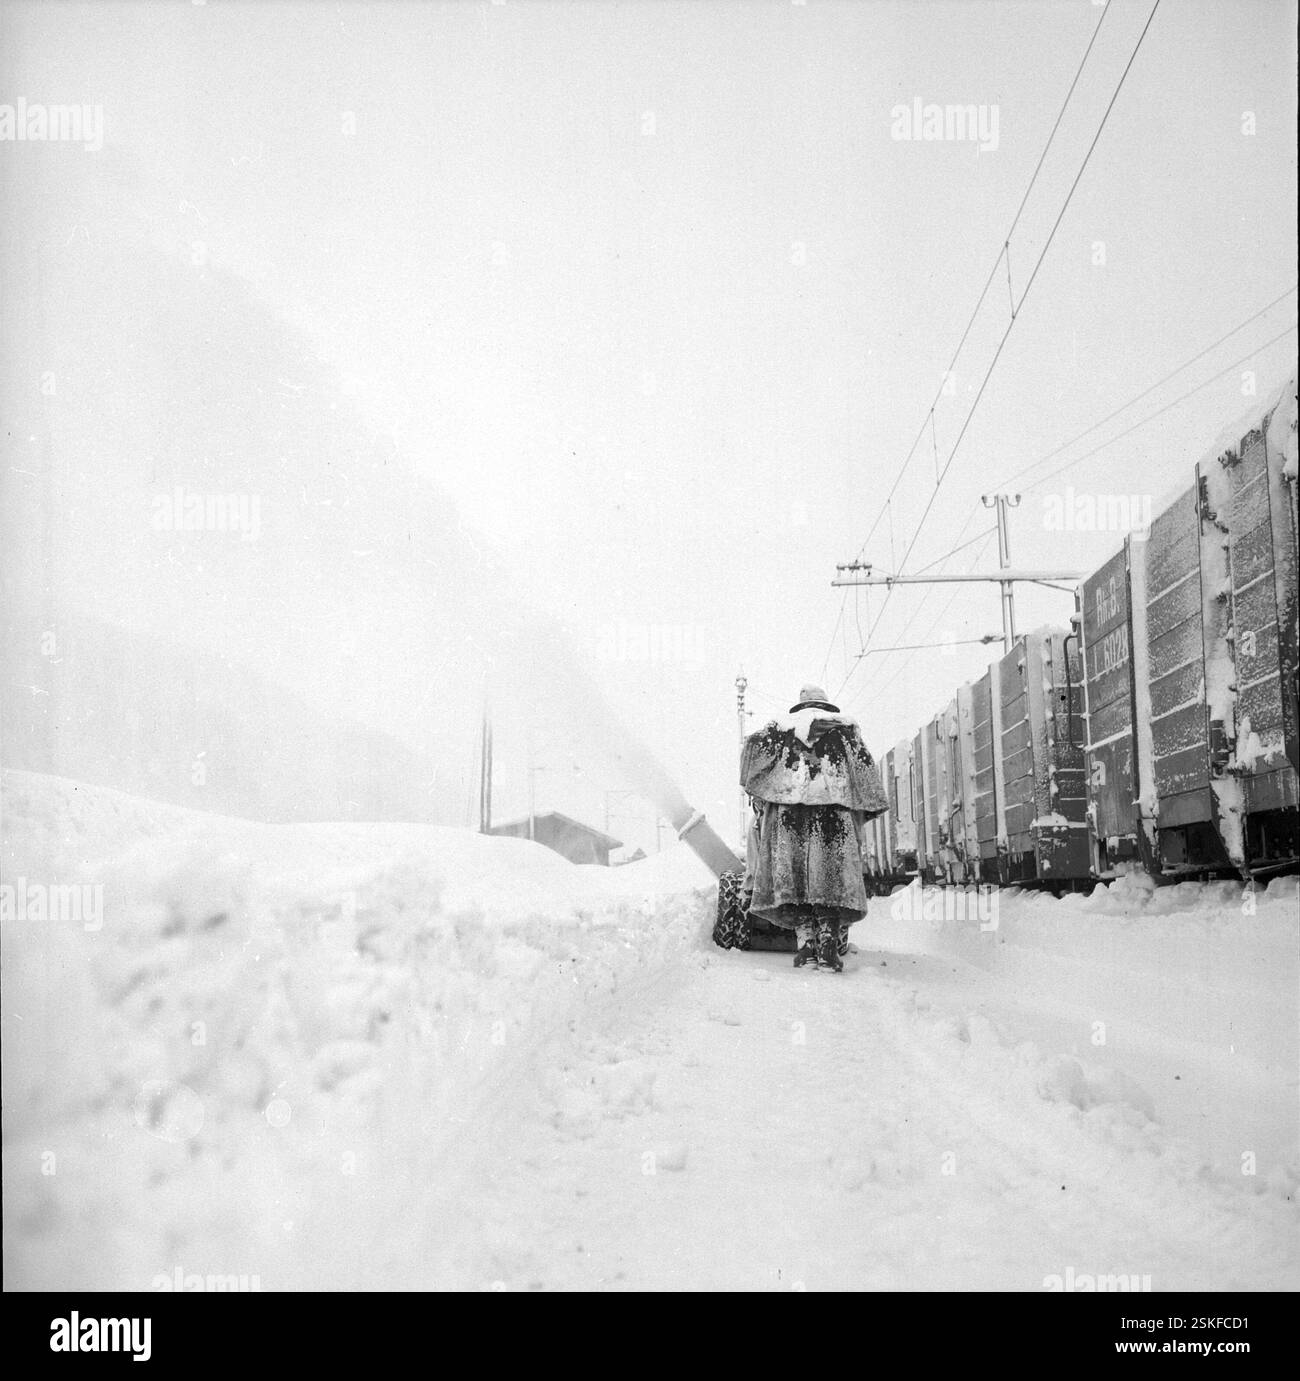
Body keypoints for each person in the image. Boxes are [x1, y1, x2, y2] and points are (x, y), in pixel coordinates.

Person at [739, 683, 887, 971]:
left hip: (789, 817)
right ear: (826, 704)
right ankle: (829, 946)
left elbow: (752, 752)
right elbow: (866, 775)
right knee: (830, 882)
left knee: (794, 882)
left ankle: (806, 947)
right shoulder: (845, 730)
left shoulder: (780, 729)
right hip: (834, 817)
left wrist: (767, 789)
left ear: (801, 706)